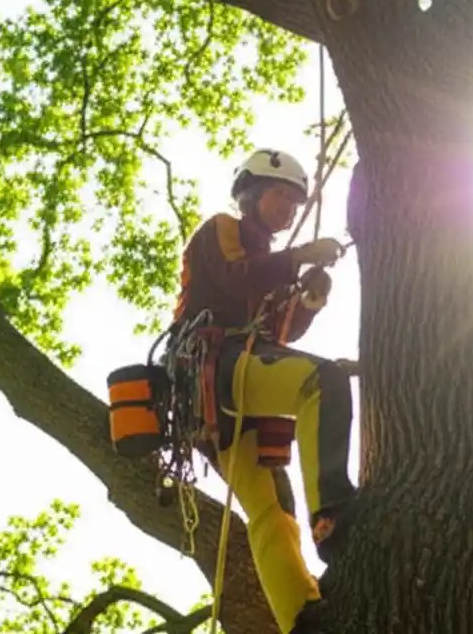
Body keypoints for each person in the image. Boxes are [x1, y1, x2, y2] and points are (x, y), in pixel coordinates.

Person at [173, 147, 357, 633]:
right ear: (252, 194)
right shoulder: (222, 230)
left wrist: (310, 301)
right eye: (281, 196)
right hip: (214, 368)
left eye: (296, 203)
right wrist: (296, 257)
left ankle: (301, 620)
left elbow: (278, 333)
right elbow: (235, 280)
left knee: (273, 513)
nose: (289, 209)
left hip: (228, 391)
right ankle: (334, 510)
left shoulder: (269, 263)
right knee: (323, 382)